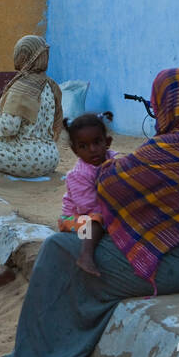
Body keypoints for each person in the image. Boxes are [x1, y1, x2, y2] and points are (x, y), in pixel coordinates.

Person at [0, 69, 179, 357]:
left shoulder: (164, 149)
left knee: (58, 249)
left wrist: (105, 170)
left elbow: (112, 183)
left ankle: (42, 349)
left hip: (167, 265)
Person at [0, 35, 63, 179]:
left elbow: (9, 129)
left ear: (23, 56)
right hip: (51, 157)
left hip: (28, 159)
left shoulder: (22, 86)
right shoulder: (50, 85)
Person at [58, 111, 117, 278]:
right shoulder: (78, 175)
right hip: (73, 220)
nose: (92, 150)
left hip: (100, 210)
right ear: (75, 150)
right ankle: (86, 256)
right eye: (83, 146)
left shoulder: (113, 159)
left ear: (107, 142)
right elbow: (86, 207)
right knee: (96, 220)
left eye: (97, 142)